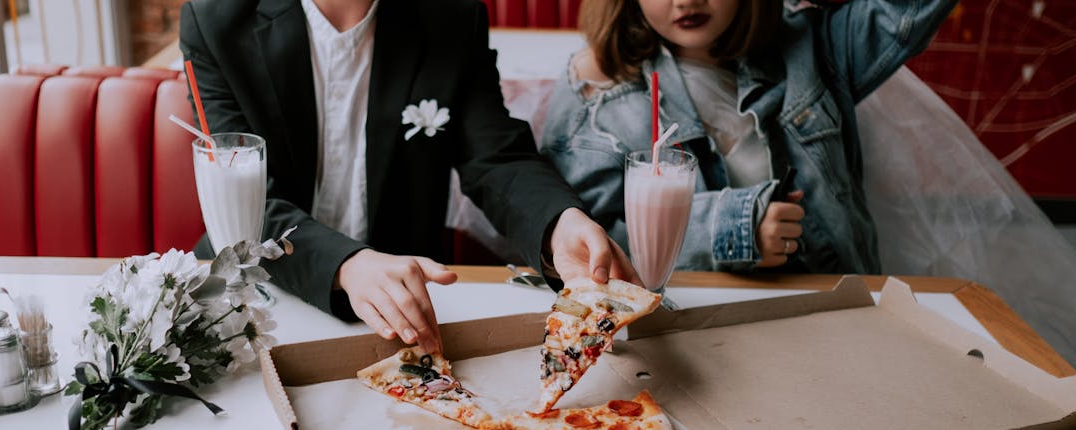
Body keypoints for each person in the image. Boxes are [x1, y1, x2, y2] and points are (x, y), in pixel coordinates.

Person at [180, 0, 638, 354]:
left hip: (408, 304)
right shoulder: (216, 18)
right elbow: (243, 201)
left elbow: (496, 156)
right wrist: (346, 264)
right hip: (255, 294)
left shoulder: (450, 17)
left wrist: (560, 225)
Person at [541, 0, 958, 274]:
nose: (686, 1)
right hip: (692, 335)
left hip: (835, 313)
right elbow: (582, 245)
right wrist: (730, 230)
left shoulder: (816, 48)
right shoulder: (599, 91)